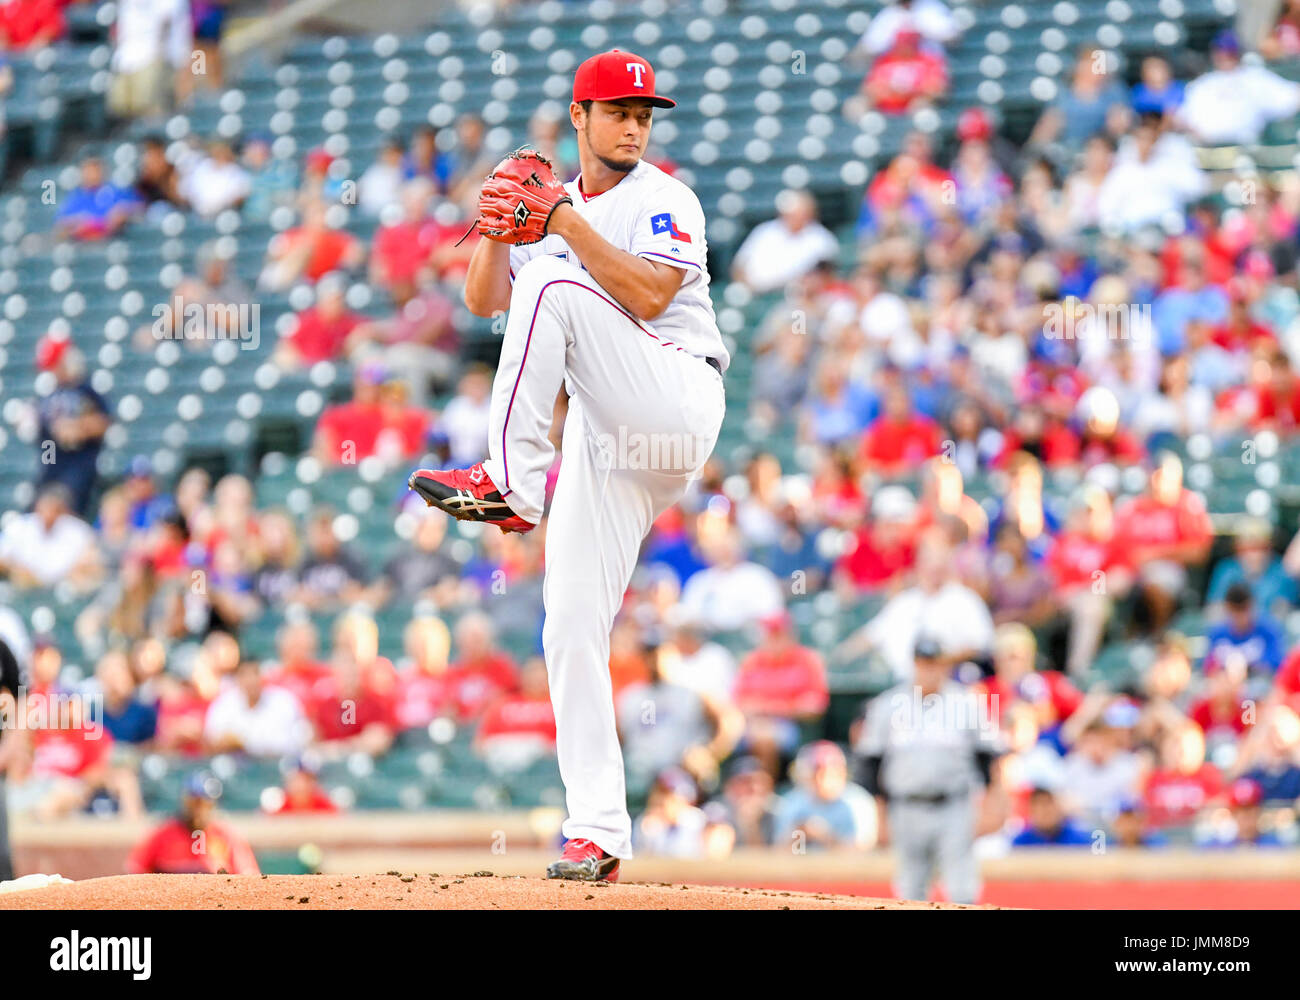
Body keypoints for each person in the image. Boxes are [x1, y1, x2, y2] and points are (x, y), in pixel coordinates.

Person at [409, 49, 727, 883]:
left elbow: (652, 297)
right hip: (603, 427)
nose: (634, 125)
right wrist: (493, 224)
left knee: (551, 281)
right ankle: (597, 831)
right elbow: (482, 302)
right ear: (578, 118)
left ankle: (512, 483)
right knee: (569, 621)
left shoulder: (664, 198)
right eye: (618, 111)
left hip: (674, 396)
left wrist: (556, 225)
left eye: (644, 113)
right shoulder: (557, 212)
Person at [854, 638, 1002, 903]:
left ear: (945, 664)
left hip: (955, 805)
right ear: (914, 664)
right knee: (910, 891)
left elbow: (988, 756)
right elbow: (871, 762)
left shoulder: (967, 702)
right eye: (924, 663)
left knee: (962, 890)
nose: (929, 669)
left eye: (935, 663)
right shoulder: (888, 704)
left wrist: (993, 802)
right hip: (905, 806)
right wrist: (880, 815)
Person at [31, 333, 111, 514]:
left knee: (68, 506)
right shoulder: (49, 393)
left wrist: (78, 427)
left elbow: (105, 421)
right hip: (54, 466)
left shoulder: (86, 388)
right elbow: (46, 441)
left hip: (80, 463)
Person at [127, 772, 261, 874]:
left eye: (203, 802)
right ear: (185, 801)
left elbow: (248, 876)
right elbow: (135, 870)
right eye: (194, 801)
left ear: (212, 804)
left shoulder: (226, 835)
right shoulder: (162, 833)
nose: (198, 808)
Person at [731, 189, 838, 294]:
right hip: (754, 292)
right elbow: (739, 266)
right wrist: (747, 287)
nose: (793, 217)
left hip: (795, 296)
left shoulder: (822, 239)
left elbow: (827, 276)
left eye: (798, 213)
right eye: (790, 213)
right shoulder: (764, 230)